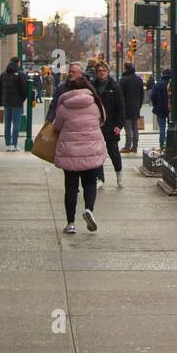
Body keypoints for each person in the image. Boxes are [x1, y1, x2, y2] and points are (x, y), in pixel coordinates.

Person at [53, 66, 107, 235]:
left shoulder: (64, 106)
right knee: (90, 183)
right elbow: (103, 120)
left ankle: (70, 223)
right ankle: (89, 209)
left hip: (69, 151)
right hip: (91, 150)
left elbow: (57, 126)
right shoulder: (95, 103)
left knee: (71, 187)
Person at [90, 60, 125, 186]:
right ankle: (99, 178)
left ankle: (119, 172)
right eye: (99, 71)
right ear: (96, 73)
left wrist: (119, 125)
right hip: (96, 124)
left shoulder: (114, 87)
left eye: (104, 71)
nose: (102, 73)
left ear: (108, 72)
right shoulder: (92, 86)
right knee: (97, 152)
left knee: (113, 151)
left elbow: (121, 107)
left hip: (111, 124)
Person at [0, 56, 27, 150]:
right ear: (18, 63)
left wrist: (0, 102)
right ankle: (14, 144)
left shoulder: (3, 74)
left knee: (7, 124)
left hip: (6, 102)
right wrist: (22, 99)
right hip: (17, 103)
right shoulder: (20, 74)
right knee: (16, 123)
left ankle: (8, 144)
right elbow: (24, 89)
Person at [119, 61, 144, 153]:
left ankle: (127, 146)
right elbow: (142, 95)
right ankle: (135, 146)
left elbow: (120, 95)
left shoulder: (123, 80)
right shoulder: (139, 79)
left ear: (125, 68)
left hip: (126, 107)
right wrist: (139, 105)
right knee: (135, 127)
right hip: (136, 106)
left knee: (128, 128)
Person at [150, 69, 171, 149]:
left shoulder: (158, 85)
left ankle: (162, 144)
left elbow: (153, 96)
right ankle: (170, 143)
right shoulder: (172, 84)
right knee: (171, 126)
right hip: (171, 109)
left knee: (162, 127)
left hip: (160, 108)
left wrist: (156, 105)